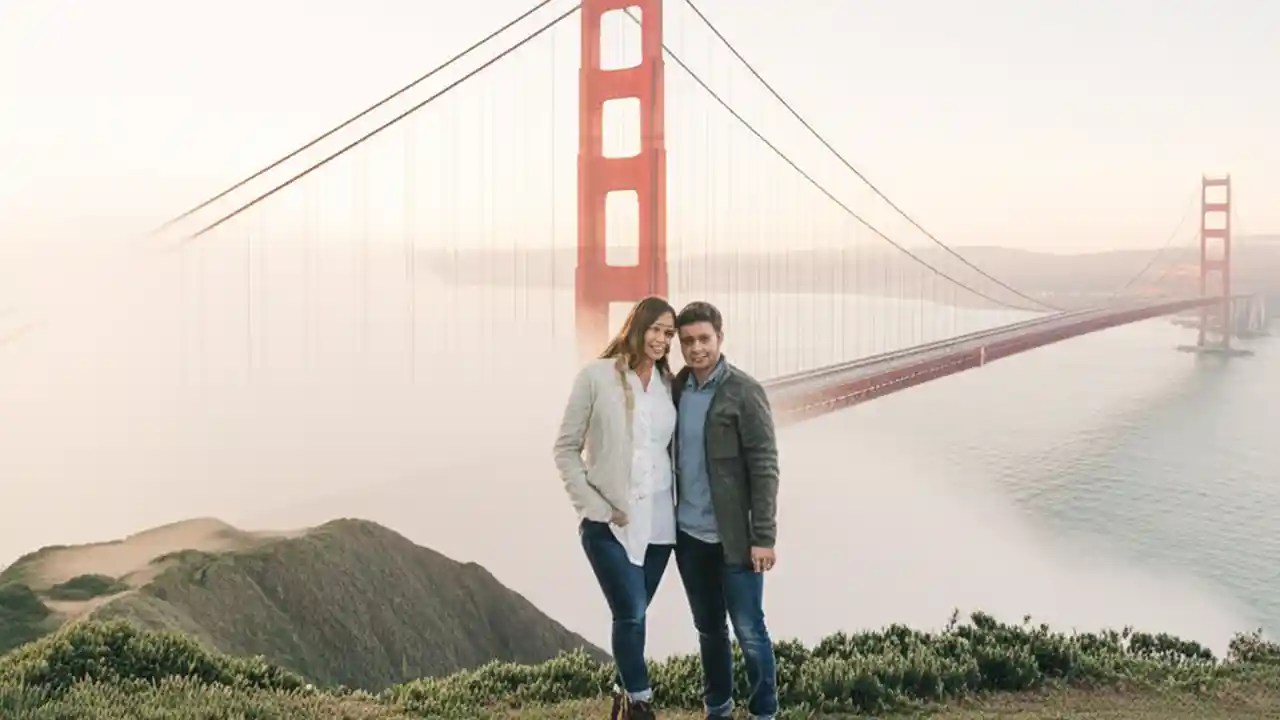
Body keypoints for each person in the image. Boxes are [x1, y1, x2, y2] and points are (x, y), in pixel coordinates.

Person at [553, 296, 680, 720]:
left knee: (637, 617)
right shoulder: (594, 376)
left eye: (669, 333)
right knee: (629, 611)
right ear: (637, 324)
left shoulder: (669, 386)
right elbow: (565, 449)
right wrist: (596, 508)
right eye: (656, 329)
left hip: (661, 521)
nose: (662, 339)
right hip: (609, 522)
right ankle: (641, 704)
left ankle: (621, 698)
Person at [672, 300, 780, 720]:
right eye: (687, 341)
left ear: (720, 337)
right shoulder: (676, 388)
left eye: (704, 339)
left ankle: (763, 712)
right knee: (709, 631)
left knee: (750, 632)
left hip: (736, 541)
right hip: (689, 536)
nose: (696, 348)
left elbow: (765, 466)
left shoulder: (745, 391)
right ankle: (717, 708)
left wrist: (764, 537)